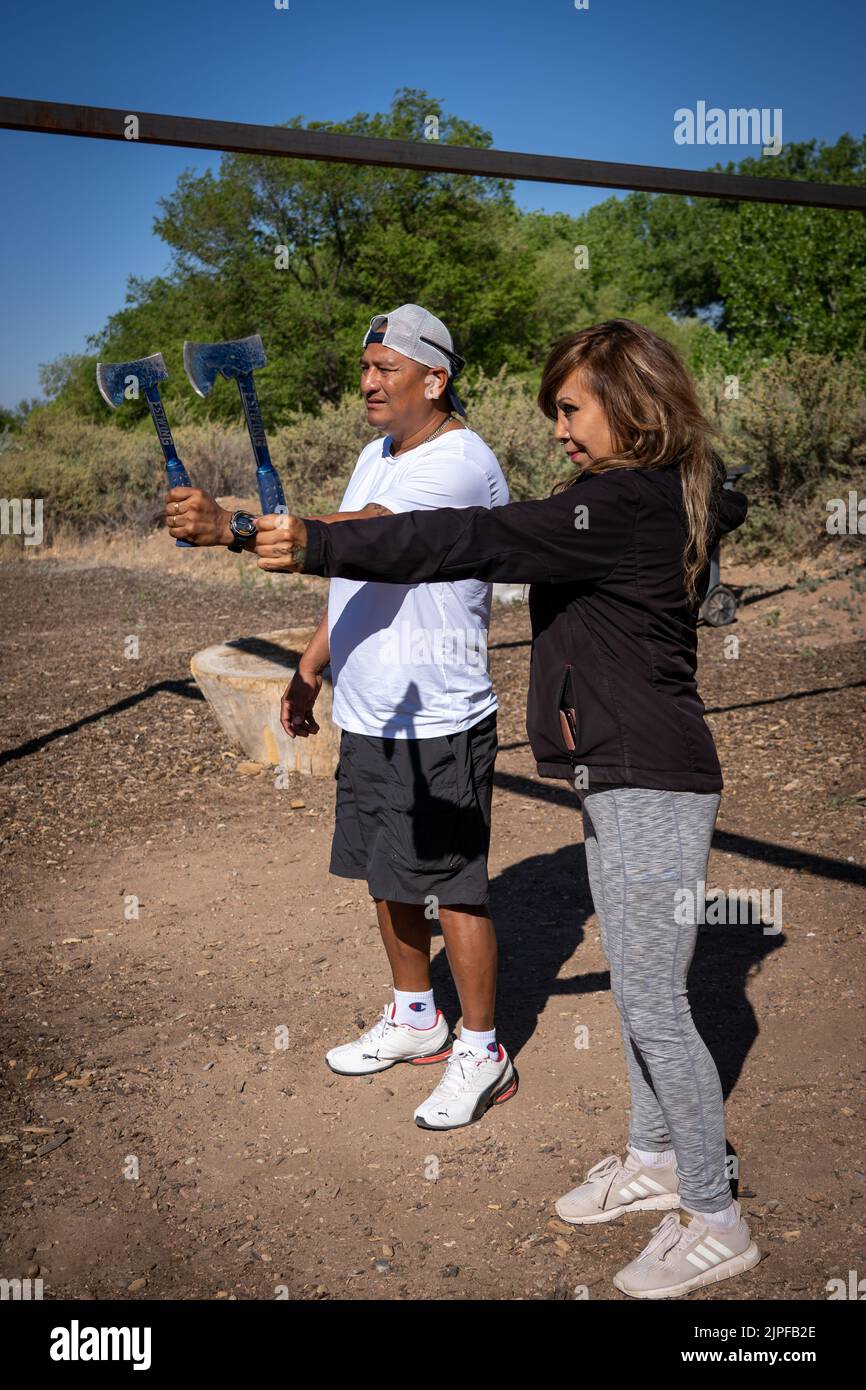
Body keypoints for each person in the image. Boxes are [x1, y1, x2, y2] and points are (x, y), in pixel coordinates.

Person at [249, 318, 761, 1300]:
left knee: (655, 1001)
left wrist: (314, 539)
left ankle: (713, 1215)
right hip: (618, 773)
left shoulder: (615, 506)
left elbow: (471, 535)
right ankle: (652, 1161)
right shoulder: (623, 498)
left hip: (652, 776)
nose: (558, 430)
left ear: (629, 403)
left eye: (570, 410)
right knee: (634, 991)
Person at [164, 304, 518, 1130]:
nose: (367, 382)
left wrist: (235, 527)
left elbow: (372, 537)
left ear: (436, 379)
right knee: (386, 873)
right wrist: (310, 669)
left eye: (385, 369)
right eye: (363, 368)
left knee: (457, 890)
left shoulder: (460, 463)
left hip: (440, 713)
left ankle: (484, 1048)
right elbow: (353, 574)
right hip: (372, 708)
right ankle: (414, 1016)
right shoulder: (375, 453)